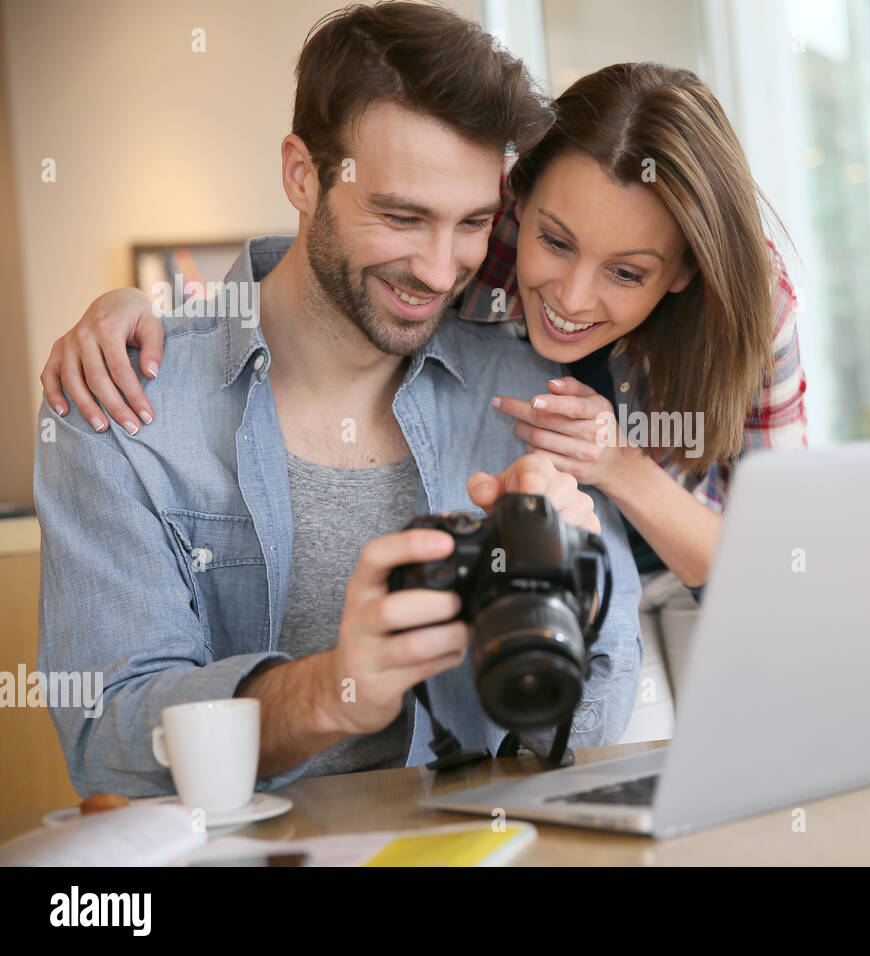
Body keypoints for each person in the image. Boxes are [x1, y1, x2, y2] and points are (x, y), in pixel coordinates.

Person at [34, 1, 643, 799]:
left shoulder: (532, 401)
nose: (436, 269)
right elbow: (108, 741)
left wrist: (572, 587)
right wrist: (329, 692)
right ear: (301, 174)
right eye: (401, 216)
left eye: (473, 224)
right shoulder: (118, 406)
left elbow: (587, 737)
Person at [43, 65, 810, 600]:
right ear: (520, 195)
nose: (571, 297)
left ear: (682, 272)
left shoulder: (750, 308)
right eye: (556, 240)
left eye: (628, 273)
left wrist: (617, 466)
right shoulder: (474, 244)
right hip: (535, 591)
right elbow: (324, 280)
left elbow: (770, 562)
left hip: (700, 584)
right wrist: (147, 317)